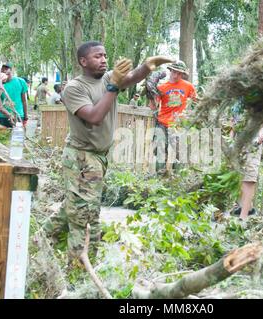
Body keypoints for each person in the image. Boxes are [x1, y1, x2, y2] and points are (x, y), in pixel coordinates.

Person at [43, 40, 173, 263]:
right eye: (97, 56)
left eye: (105, 55)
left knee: (74, 208)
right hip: (82, 158)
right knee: (86, 218)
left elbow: (130, 78)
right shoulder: (74, 88)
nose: (103, 60)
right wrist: (113, 87)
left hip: (99, 157)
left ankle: (39, 242)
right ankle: (79, 270)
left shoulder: (106, 78)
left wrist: (147, 66)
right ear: (83, 61)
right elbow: (94, 117)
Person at [153, 60, 197, 172]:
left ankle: (176, 179)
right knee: (160, 152)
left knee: (179, 154)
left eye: (179, 73)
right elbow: (153, 106)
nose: (176, 75)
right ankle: (160, 178)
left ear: (182, 74)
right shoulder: (162, 87)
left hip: (178, 125)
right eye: (174, 72)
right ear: (170, 70)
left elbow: (196, 102)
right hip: (162, 123)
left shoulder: (188, 86)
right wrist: (151, 94)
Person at [0, 62, 29, 128]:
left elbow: (24, 101)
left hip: (18, 115)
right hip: (1, 117)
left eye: (6, 68)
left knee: (17, 137)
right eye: (2, 69)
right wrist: (9, 115)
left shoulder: (20, 81)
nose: (4, 70)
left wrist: (26, 116)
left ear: (11, 70)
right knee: (2, 137)